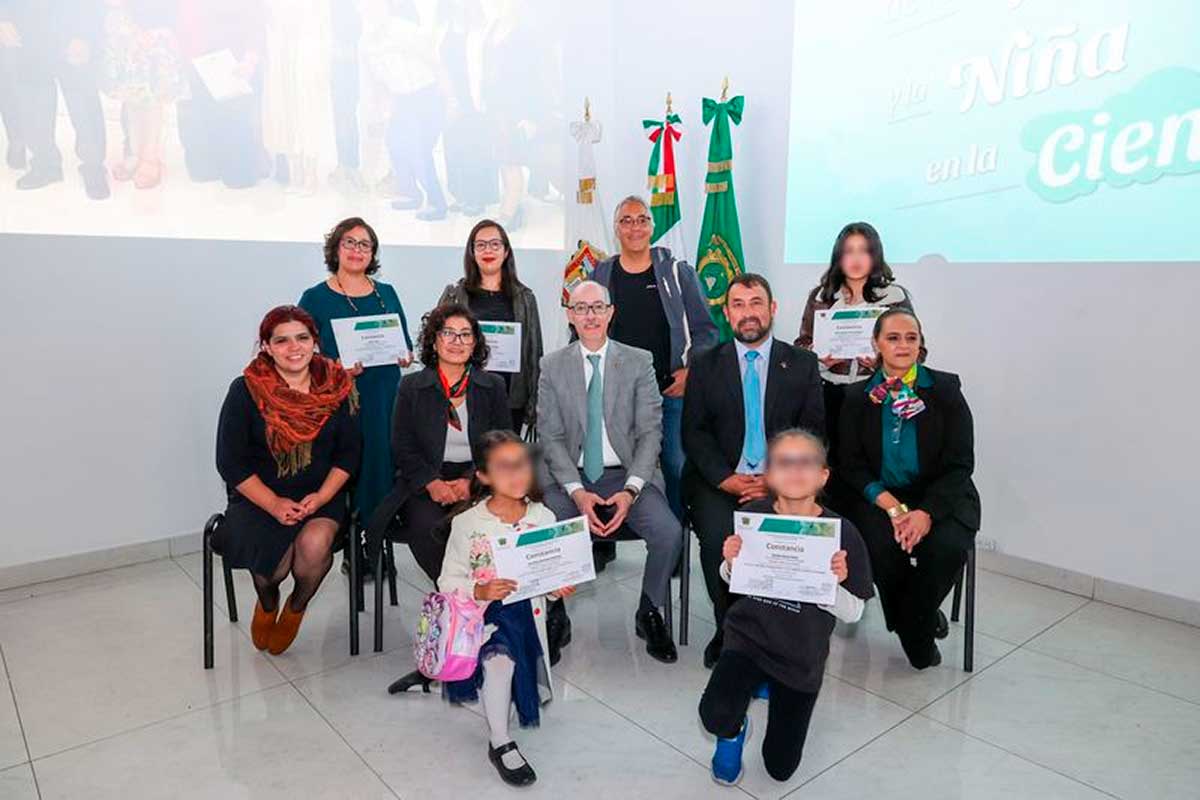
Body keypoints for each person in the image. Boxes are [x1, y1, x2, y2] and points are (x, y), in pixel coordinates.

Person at [699, 429, 872, 785]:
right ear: (769, 475)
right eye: (784, 462)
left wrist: (833, 584)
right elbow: (731, 581)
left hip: (800, 655)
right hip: (748, 639)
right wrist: (730, 561)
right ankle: (733, 731)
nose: (795, 470)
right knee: (714, 715)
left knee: (780, 769)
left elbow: (854, 613)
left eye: (806, 461)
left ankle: (769, 685)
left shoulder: (842, 533)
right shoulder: (752, 519)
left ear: (823, 474)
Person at [682, 273, 824, 668]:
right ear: (727, 313)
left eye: (756, 303)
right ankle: (729, 629)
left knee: (781, 538)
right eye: (739, 305)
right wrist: (725, 478)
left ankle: (777, 630)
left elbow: (812, 433)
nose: (749, 313)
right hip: (720, 478)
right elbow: (693, 431)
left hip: (783, 481)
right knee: (717, 538)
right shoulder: (706, 363)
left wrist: (775, 479)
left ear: (772, 309)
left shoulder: (801, 363)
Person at [536, 280, 682, 664]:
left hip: (628, 474)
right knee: (544, 526)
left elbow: (651, 432)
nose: (590, 316)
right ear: (570, 315)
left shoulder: (638, 361)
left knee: (668, 532)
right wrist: (577, 492)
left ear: (610, 312)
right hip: (572, 476)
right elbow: (549, 438)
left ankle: (649, 610)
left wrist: (632, 489)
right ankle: (556, 615)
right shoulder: (551, 366)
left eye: (598, 307)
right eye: (581, 308)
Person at [838, 307, 980, 669]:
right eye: (893, 337)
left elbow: (960, 463)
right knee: (880, 547)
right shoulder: (857, 397)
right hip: (879, 496)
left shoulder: (946, 390)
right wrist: (893, 507)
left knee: (946, 548)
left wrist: (926, 513)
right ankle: (919, 628)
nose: (903, 345)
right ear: (876, 344)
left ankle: (913, 622)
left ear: (921, 344)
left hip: (941, 496)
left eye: (911, 338)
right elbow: (850, 465)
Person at [215, 305, 361, 655]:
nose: (293, 347)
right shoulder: (245, 390)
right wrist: (274, 504)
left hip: (321, 495)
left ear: (315, 342)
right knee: (275, 567)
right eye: (281, 340)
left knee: (313, 546)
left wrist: (323, 498)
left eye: (302, 338)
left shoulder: (338, 386)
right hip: (259, 497)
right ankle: (268, 603)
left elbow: (349, 455)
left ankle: (295, 607)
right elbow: (230, 462)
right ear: (266, 346)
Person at [438, 430, 574, 787]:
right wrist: (479, 588)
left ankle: (498, 704)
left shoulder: (543, 518)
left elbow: (548, 586)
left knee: (510, 636)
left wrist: (558, 590)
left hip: (528, 617)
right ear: (482, 476)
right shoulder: (467, 524)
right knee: (499, 653)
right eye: (503, 467)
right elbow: (447, 582)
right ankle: (500, 742)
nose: (516, 474)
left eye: (522, 464)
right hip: (479, 617)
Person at [592, 194, 719, 533]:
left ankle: (674, 538)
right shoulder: (601, 274)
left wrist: (691, 372)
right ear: (616, 229)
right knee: (607, 467)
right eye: (626, 220)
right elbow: (584, 329)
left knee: (676, 465)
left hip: (669, 393)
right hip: (614, 394)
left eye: (641, 219)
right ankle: (606, 538)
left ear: (652, 226)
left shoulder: (677, 273)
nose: (634, 226)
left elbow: (706, 331)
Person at [299, 217, 414, 574]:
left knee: (382, 464)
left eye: (365, 244)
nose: (356, 250)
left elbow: (405, 342)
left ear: (373, 253)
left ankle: (375, 539)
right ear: (335, 248)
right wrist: (335, 367)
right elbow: (302, 354)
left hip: (383, 395)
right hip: (340, 398)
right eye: (349, 242)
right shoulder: (315, 297)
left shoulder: (387, 292)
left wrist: (405, 355)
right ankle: (352, 542)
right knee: (352, 465)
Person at [376, 303, 511, 583]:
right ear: (434, 341)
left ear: (475, 344)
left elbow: (502, 444)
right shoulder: (412, 386)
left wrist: (472, 480)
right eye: (448, 333)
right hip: (425, 478)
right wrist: (432, 482)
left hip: (480, 477)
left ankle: (479, 595)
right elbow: (402, 445)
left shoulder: (493, 386)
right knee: (427, 527)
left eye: (465, 335)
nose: (456, 341)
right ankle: (454, 594)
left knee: (486, 527)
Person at [794, 222, 918, 508]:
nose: (856, 258)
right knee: (830, 472)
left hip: (876, 395)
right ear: (839, 256)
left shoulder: (894, 297)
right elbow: (801, 345)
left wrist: (883, 360)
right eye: (849, 251)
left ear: (875, 256)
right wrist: (819, 356)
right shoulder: (821, 297)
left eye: (863, 250)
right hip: (829, 394)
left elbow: (916, 349)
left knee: (865, 472)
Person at [438, 219, 543, 435]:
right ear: (472, 253)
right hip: (464, 396)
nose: (488, 250)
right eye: (481, 245)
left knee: (503, 465)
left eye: (495, 244)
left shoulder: (525, 298)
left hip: (510, 400)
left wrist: (533, 405)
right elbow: (436, 343)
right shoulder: (454, 295)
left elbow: (534, 354)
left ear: (506, 252)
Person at [2, 0, 109, 199]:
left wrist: (84, 34)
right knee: (33, 101)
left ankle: (93, 166)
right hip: (25, 28)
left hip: (70, 24)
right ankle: (45, 163)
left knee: (82, 101)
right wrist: (3, 17)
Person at [174, 0, 267, 189]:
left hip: (236, 64)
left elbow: (256, 15)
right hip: (198, 61)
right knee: (204, 171)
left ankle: (251, 155)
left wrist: (250, 58)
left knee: (239, 178)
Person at [100, 1, 184, 190]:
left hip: (153, 34)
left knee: (153, 100)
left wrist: (155, 29)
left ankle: (150, 158)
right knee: (132, 99)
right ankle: (135, 155)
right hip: (124, 37)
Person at [261, 0, 334, 193]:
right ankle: (296, 176)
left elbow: (323, 33)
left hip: (306, 71)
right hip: (285, 66)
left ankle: (311, 177)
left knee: (307, 122)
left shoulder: (313, 32)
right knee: (288, 122)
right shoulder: (278, 38)